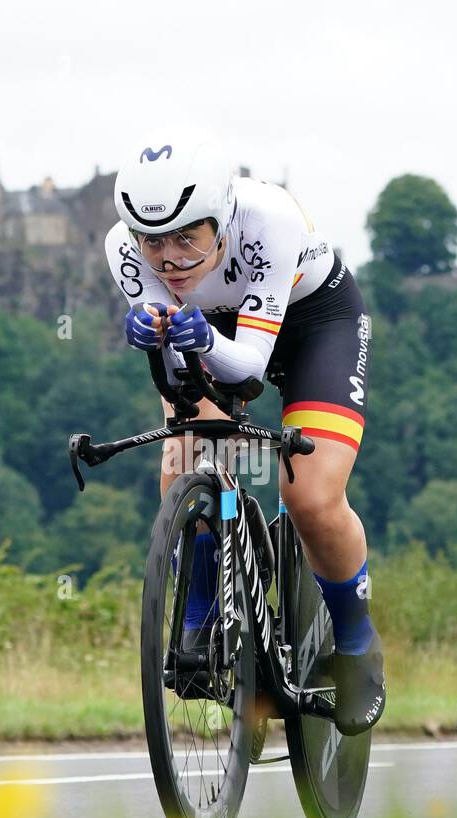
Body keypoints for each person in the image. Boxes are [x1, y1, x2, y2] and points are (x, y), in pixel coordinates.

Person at [103, 136, 384, 736]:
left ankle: (358, 644)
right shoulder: (124, 249)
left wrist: (199, 340)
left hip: (313, 323)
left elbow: (250, 370)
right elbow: (184, 382)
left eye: (188, 238)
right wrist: (157, 334)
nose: (170, 259)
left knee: (310, 496)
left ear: (222, 220)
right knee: (186, 459)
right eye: (152, 241)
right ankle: (203, 613)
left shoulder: (270, 223)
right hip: (213, 332)